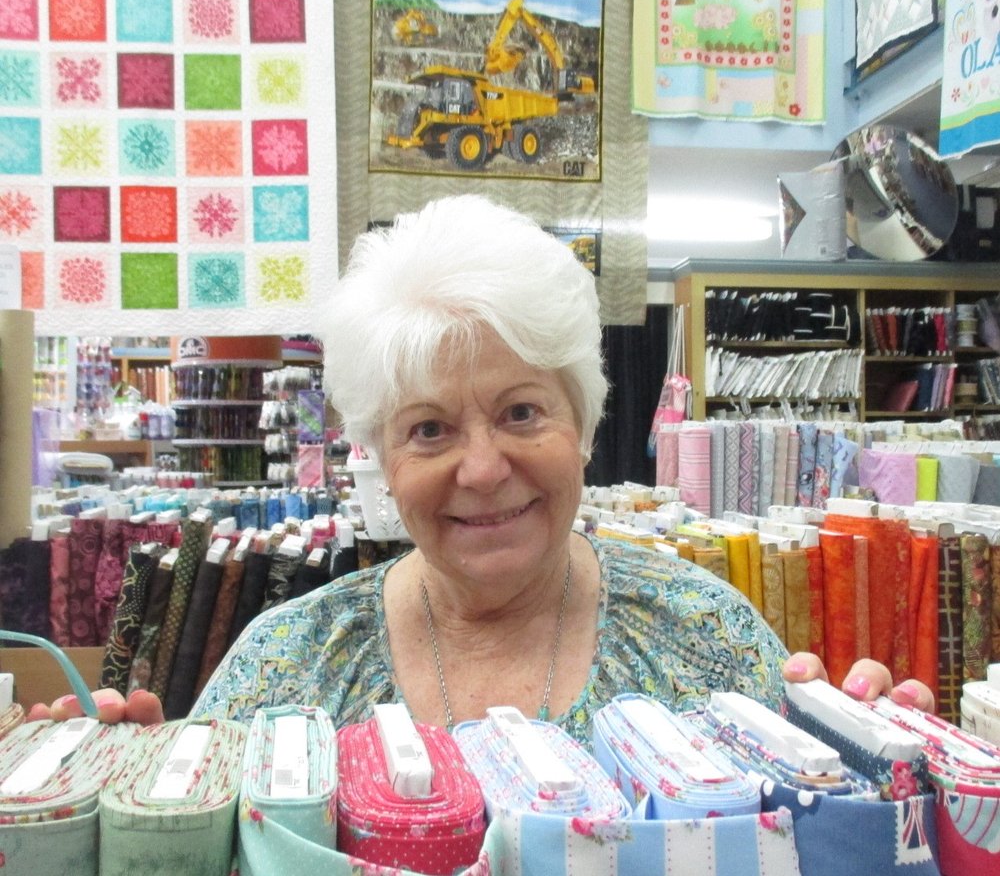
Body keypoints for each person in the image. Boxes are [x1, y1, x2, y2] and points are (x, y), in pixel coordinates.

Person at [29, 195, 934, 740]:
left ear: (583, 423)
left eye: (521, 412)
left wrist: (882, 768)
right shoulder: (286, 668)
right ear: (381, 459)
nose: (484, 467)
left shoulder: (709, 640)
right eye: (429, 429)